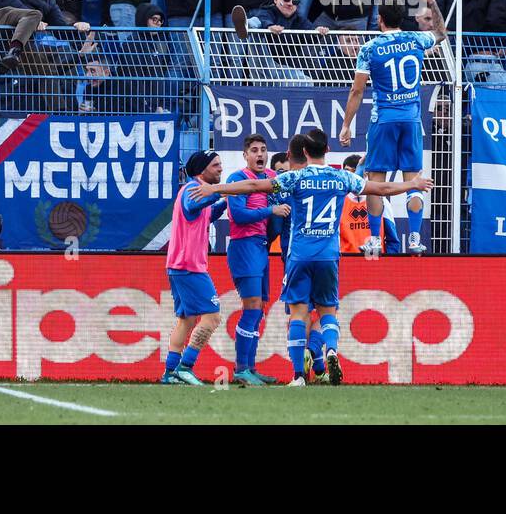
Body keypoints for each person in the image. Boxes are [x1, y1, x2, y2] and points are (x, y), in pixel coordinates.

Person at [194, 129, 430, 386]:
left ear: (304, 152)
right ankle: (329, 349)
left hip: (299, 256)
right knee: (328, 311)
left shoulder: (295, 177)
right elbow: (382, 188)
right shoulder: (342, 177)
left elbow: (253, 185)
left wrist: (215, 189)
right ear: (327, 150)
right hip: (328, 256)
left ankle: (297, 375)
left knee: (298, 314)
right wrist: (412, 184)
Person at [339, 0, 446, 256]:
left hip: (384, 120)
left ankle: (375, 239)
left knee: (375, 180)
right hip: (411, 120)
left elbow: (357, 91)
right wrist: (431, 3)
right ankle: (414, 239)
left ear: (380, 19)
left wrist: (346, 125)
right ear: (404, 18)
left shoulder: (370, 48)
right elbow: (441, 33)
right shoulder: (416, 39)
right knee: (413, 179)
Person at [223, 134, 289, 386]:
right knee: (251, 307)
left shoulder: (271, 179)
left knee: (259, 308)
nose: (260, 154)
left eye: (263, 150)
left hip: (261, 248)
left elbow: (277, 217)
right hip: (244, 247)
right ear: (245, 155)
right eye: (254, 150)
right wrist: (270, 210)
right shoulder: (237, 179)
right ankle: (241, 369)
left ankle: (250, 367)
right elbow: (238, 215)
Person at [161, 150, 231, 385]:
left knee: (187, 320)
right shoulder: (193, 190)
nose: (220, 169)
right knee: (212, 317)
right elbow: (194, 205)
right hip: (190, 266)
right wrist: (224, 191)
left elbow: (206, 214)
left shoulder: (194, 191)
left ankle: (170, 373)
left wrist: (224, 201)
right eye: (216, 165)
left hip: (178, 266)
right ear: (202, 170)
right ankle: (186, 366)